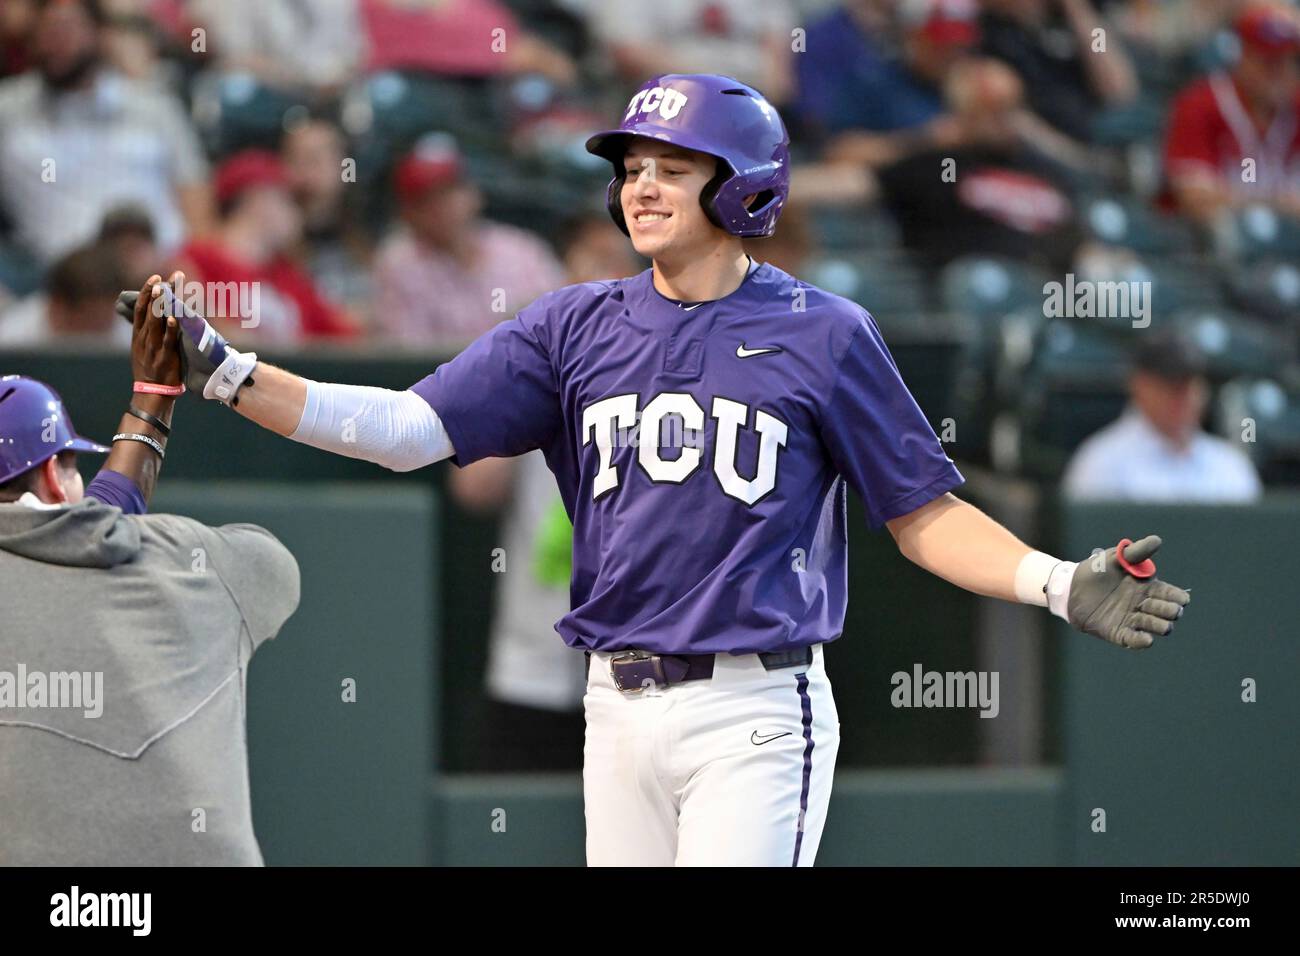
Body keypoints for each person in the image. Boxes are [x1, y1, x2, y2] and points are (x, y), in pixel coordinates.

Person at [156, 74, 1191, 867]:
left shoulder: (823, 331)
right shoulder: (573, 322)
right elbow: (401, 426)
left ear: (740, 186)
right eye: (629, 164)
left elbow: (921, 513)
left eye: (671, 163)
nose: (639, 183)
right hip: (613, 703)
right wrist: (229, 372)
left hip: (752, 703)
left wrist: (1056, 580)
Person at [0, 275, 300, 865]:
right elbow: (276, 574)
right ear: (58, 476)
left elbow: (70, 534)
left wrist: (149, 403)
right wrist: (162, 395)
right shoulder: (189, 561)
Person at [449, 211, 642, 772]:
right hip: (532, 651)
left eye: (614, 264)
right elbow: (474, 489)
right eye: (583, 266)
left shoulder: (666, 369)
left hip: (639, 655)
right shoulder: (539, 360)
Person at [0, 0, 212, 264]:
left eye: (65, 28)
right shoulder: (9, 112)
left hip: (166, 266)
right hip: (70, 278)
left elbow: (193, 191)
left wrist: (200, 263)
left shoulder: (153, 106)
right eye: (44, 32)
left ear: (99, 34)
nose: (54, 42)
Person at [372, 136, 565, 348]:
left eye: (451, 191)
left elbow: (561, 322)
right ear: (408, 213)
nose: (443, 206)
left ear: (473, 194)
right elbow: (409, 357)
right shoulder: (400, 263)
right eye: (427, 199)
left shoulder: (520, 249)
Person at [177, 150, 357, 344]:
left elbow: (350, 337)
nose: (297, 214)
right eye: (289, 200)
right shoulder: (195, 260)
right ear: (259, 200)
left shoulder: (289, 278)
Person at [1063, 330, 1262, 502]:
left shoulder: (1230, 465)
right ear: (1139, 385)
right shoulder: (1101, 461)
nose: (1182, 395)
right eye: (1169, 384)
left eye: (1189, 384)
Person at [1161, 2, 1300, 225]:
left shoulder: (1296, 105)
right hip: (1206, 250)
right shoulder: (1200, 104)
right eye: (1270, 63)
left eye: (1288, 62)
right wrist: (1280, 205)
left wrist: (1233, 198)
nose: (1280, 74)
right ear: (1243, 58)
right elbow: (1195, 200)